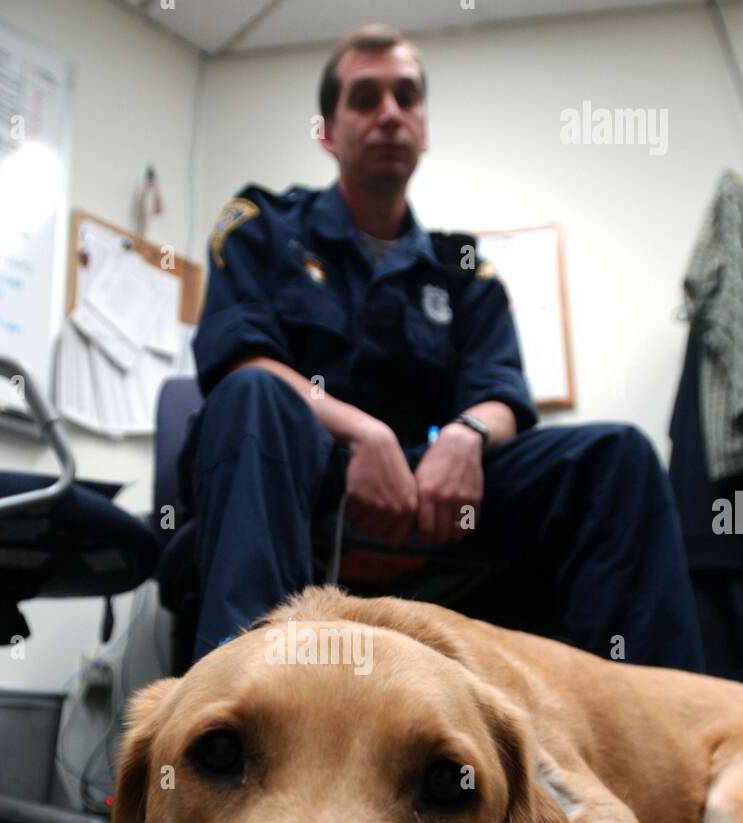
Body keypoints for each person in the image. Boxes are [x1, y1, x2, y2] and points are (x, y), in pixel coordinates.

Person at [178, 22, 704, 672]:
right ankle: (240, 701)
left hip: (434, 499)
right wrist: (362, 436)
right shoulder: (263, 225)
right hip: (295, 478)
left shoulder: (461, 269)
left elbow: (501, 394)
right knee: (254, 395)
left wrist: (464, 437)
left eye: (406, 97)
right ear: (327, 131)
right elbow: (240, 358)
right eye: (365, 99)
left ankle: (649, 728)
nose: (389, 114)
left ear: (423, 128)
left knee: (613, 455)